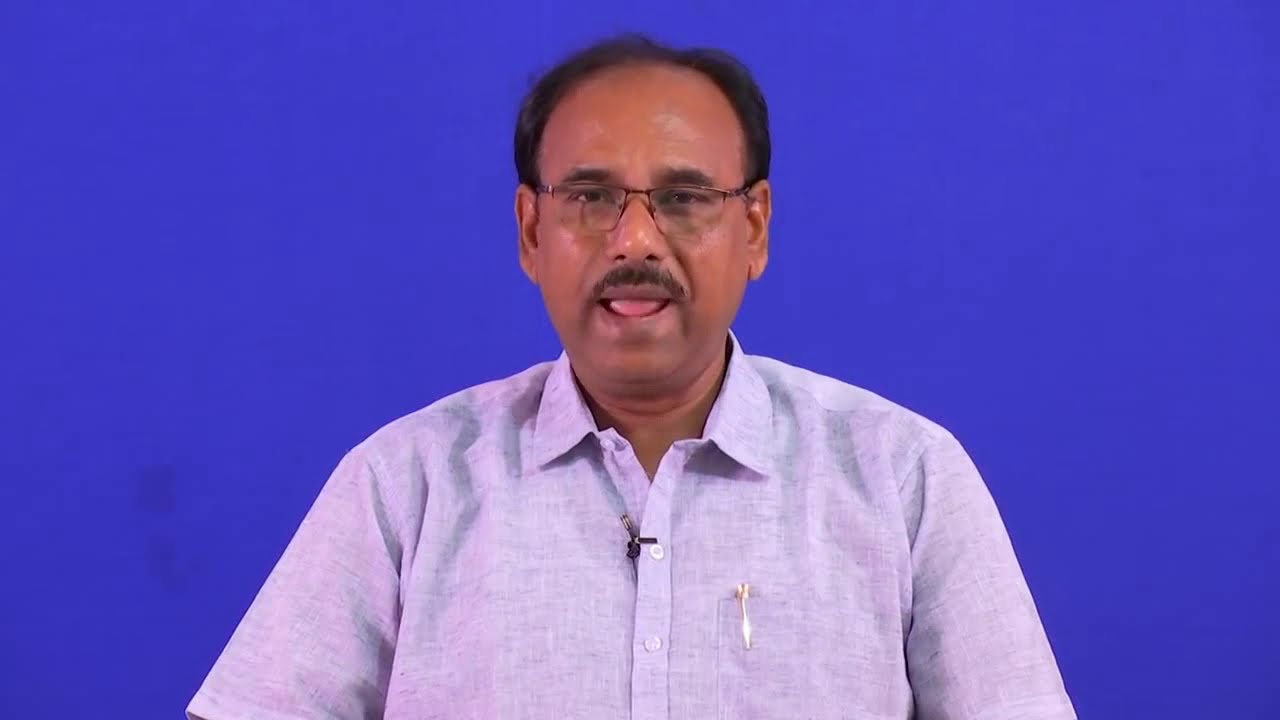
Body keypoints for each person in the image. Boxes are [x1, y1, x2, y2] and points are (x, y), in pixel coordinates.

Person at [187, 33, 1077, 720]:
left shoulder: (902, 477)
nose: (637, 240)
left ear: (755, 228)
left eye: (685, 199)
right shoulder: (405, 486)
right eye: (591, 198)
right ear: (531, 232)